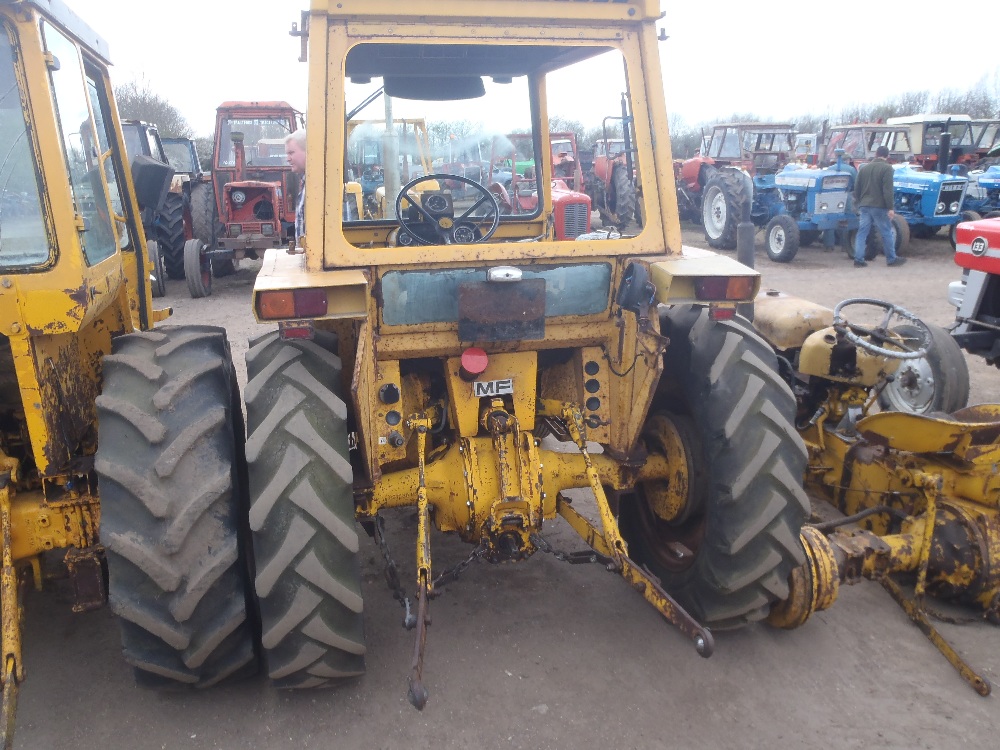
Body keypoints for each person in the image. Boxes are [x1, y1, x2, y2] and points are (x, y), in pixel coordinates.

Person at [853, 144, 905, 268]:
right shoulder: (887, 168)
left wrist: (860, 202)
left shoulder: (864, 168)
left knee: (862, 233)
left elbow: (857, 188)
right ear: (887, 156)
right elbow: (888, 190)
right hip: (879, 206)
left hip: (864, 205)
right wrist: (890, 207)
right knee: (886, 231)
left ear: (876, 154)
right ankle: (891, 258)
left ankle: (858, 259)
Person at [284, 128, 307, 241]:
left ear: (308, 151)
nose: (288, 159)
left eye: (291, 153)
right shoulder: (305, 184)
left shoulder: (321, 186)